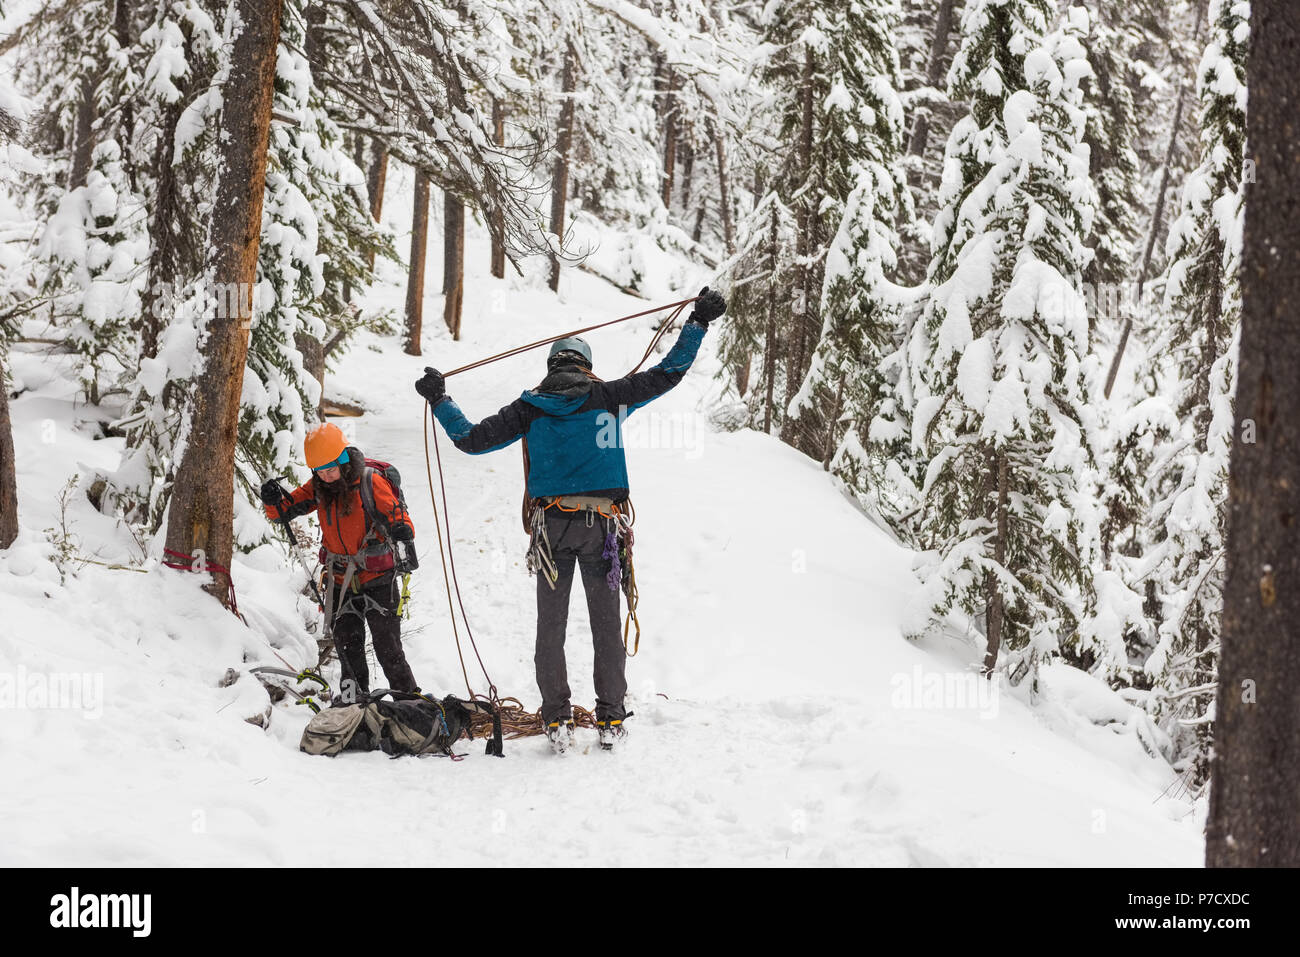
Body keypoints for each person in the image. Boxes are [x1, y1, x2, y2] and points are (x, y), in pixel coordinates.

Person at [414, 287, 727, 752]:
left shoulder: (529, 408)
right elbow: (669, 373)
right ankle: (611, 718)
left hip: (551, 530)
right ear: (585, 365)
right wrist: (698, 321)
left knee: (550, 628)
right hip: (602, 529)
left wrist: (441, 399)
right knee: (605, 625)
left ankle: (557, 719)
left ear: (552, 367)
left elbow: (471, 439)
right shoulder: (610, 396)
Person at [259, 422, 420, 701]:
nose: (327, 475)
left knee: (388, 648)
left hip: (378, 580)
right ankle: (354, 704)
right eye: (320, 470)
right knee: (348, 650)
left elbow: (400, 520)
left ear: (344, 459)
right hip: (338, 582)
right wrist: (272, 500)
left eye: (331, 468)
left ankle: (410, 705)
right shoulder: (319, 487)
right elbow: (282, 512)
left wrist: (403, 535)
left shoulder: (371, 481)